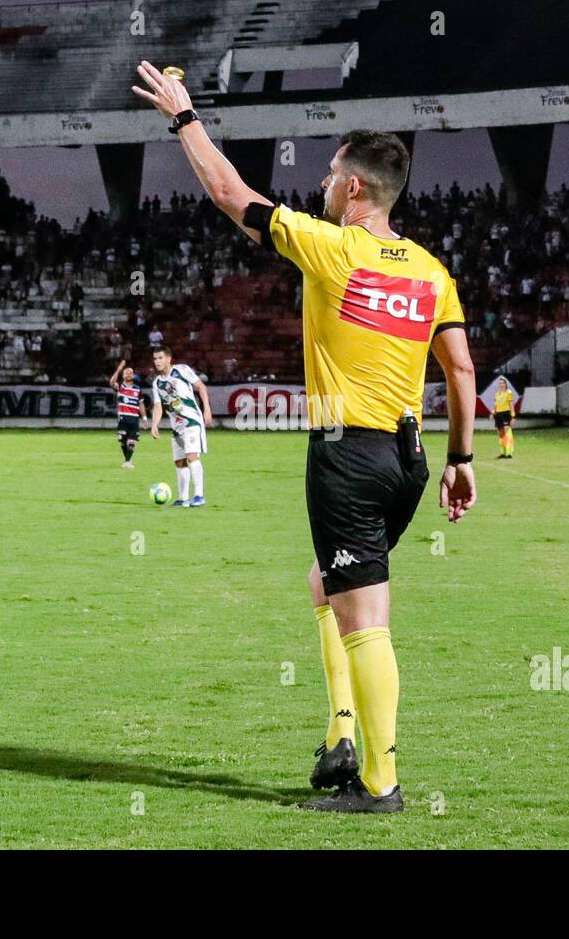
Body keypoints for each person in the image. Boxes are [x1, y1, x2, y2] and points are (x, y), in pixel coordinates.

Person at [133, 61, 477, 813]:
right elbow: (460, 370)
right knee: (330, 585)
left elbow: (231, 194)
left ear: (355, 187)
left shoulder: (333, 246)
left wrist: (184, 118)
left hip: (345, 453)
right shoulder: (430, 271)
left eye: (329, 174)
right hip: (411, 456)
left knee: (365, 617)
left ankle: (379, 785)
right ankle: (339, 735)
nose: (321, 184)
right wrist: (461, 460)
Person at [149, 346, 213, 507]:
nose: (157, 361)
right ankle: (183, 498)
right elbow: (158, 406)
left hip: (191, 421)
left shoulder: (181, 370)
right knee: (179, 462)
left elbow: (201, 386)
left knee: (192, 456)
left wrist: (207, 409)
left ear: (168, 359)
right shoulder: (157, 383)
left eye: (160, 358)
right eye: (155, 358)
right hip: (176, 426)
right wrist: (154, 424)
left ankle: (199, 495)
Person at [109, 360, 143, 468]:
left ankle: (128, 461)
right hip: (122, 419)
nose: (128, 374)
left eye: (130, 372)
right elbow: (111, 382)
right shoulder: (120, 387)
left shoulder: (138, 389)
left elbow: (141, 404)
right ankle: (128, 460)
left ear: (133, 375)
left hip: (134, 419)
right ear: (123, 375)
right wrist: (119, 369)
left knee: (131, 441)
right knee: (123, 442)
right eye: (126, 372)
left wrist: (145, 418)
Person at [493, 378, 516, 458]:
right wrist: (493, 412)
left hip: (506, 414)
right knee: (501, 435)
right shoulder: (497, 394)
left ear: (506, 384)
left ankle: (509, 452)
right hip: (498, 414)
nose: (501, 384)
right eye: (500, 383)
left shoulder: (508, 393)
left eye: (503, 383)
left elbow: (511, 405)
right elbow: (495, 404)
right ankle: (503, 452)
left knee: (507, 433)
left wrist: (513, 416)